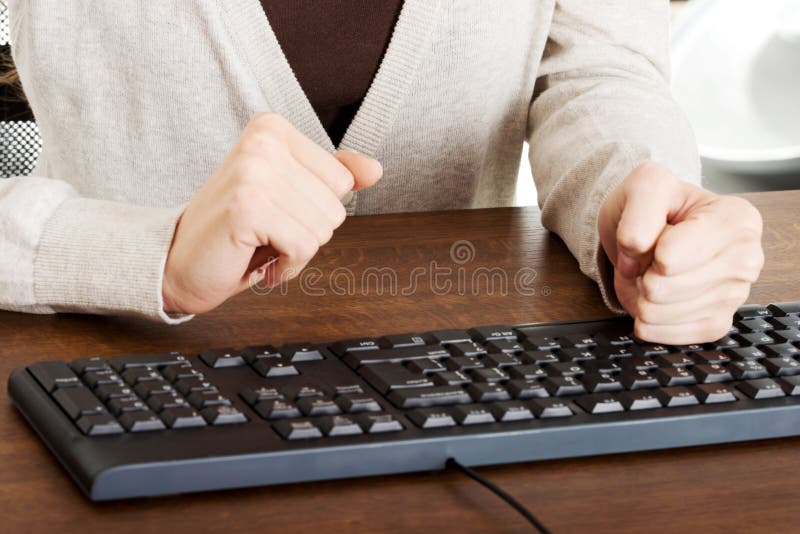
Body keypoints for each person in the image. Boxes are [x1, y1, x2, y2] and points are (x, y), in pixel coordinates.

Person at [0, 1, 763, 344]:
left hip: (467, 378)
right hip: (109, 382)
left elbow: (596, 65)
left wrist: (634, 193)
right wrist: (144, 254)